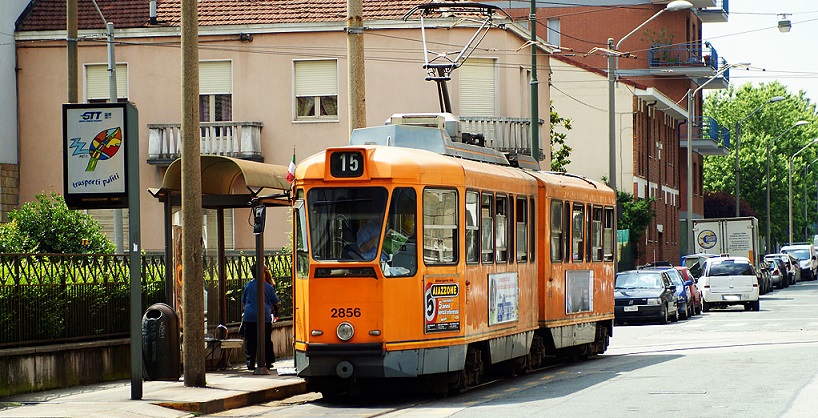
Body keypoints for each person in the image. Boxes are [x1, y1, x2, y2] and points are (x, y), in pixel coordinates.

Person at [241, 262, 280, 370]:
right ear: (263, 273)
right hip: (264, 316)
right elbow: (276, 302)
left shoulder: (248, 285)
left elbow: (243, 301)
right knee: (266, 340)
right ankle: (268, 361)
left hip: (249, 316)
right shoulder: (268, 287)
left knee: (250, 340)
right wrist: (276, 313)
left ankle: (250, 362)